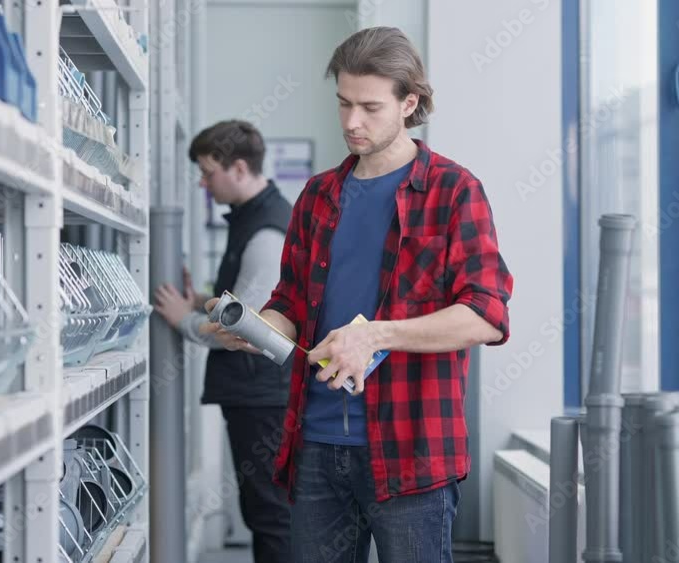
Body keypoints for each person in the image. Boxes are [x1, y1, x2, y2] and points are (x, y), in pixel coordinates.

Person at [202, 27, 514, 563]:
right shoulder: (318, 196)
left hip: (411, 453)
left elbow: (487, 315)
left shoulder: (454, 191)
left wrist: (377, 334)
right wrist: (255, 329)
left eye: (370, 107)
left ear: (409, 102)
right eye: (343, 103)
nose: (351, 122)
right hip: (317, 448)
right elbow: (291, 305)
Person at [153, 120, 293, 563]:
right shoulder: (253, 217)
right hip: (256, 395)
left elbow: (246, 327)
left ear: (237, 169)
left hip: (263, 396)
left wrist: (183, 321)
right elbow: (244, 299)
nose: (202, 181)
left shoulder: (267, 232)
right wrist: (197, 300)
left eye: (208, 171)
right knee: (265, 510)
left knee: (271, 514)